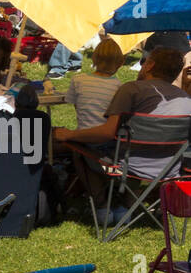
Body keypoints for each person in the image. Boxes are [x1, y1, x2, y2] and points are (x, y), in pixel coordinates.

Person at [55, 47, 191, 211]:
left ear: (150, 65)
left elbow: (106, 132)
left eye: (144, 62)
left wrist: (71, 134)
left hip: (128, 168)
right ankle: (127, 205)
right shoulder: (185, 99)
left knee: (80, 149)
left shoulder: (132, 89)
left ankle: (102, 206)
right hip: (169, 170)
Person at [61, 36, 124, 130]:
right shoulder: (119, 86)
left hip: (81, 135)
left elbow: (78, 107)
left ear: (94, 58)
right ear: (120, 63)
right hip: (105, 137)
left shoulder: (78, 80)